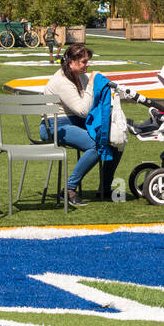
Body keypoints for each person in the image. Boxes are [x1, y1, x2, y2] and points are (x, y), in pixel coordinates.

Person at [40, 43, 124, 209]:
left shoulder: (80, 77)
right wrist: (92, 84)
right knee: (95, 145)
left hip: (75, 122)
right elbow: (83, 110)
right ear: (71, 62)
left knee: (115, 139)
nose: (87, 65)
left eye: (87, 61)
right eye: (83, 62)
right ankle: (69, 189)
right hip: (55, 125)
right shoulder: (61, 81)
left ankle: (105, 188)